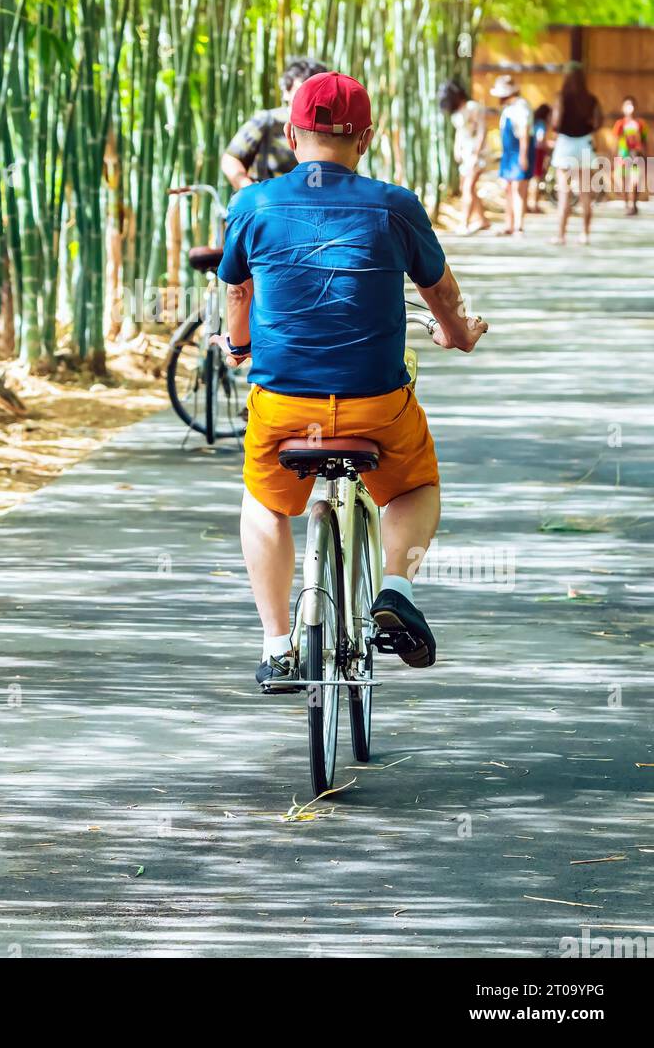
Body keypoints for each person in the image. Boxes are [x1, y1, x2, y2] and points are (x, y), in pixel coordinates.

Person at [213, 72, 487, 690]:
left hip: (283, 407)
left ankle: (277, 643)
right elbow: (439, 291)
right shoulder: (394, 205)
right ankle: (395, 588)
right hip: (376, 407)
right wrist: (459, 332)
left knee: (262, 504)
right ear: (365, 138)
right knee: (415, 484)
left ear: (290, 132)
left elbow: (236, 289)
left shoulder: (252, 204)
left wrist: (238, 345)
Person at [221, 56, 329, 192]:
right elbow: (231, 159)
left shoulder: (330, 127)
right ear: (286, 92)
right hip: (268, 206)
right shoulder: (268, 120)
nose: (308, 97)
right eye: (302, 90)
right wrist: (252, 193)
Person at [551, 65, 601, 245]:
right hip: (584, 144)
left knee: (564, 193)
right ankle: (585, 234)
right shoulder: (591, 99)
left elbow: (556, 121)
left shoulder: (561, 97)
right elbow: (598, 122)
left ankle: (561, 235)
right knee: (585, 192)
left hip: (565, 144)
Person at [439, 79, 489, 233]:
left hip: (476, 153)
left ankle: (464, 223)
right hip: (466, 154)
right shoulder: (458, 112)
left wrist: (476, 154)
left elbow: (482, 131)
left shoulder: (473, 107)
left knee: (468, 187)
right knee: (466, 187)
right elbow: (460, 132)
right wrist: (457, 148)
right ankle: (482, 220)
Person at [490, 74, 535, 237]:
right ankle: (508, 224)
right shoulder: (508, 108)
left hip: (519, 151)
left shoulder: (521, 106)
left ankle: (519, 226)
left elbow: (524, 133)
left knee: (518, 189)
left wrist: (523, 156)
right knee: (508, 188)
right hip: (509, 153)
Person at [612, 95, 648, 217]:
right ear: (622, 108)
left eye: (631, 104)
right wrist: (613, 158)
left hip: (636, 156)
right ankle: (627, 203)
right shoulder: (620, 124)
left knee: (635, 181)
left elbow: (644, 141)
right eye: (627, 105)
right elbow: (615, 142)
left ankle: (633, 203)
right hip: (623, 155)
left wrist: (646, 155)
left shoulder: (641, 124)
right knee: (623, 182)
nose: (630, 107)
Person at [528, 103, 553, 213]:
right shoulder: (541, 124)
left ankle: (530, 203)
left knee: (532, 178)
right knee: (536, 178)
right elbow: (540, 140)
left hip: (531, 151)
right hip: (538, 152)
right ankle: (533, 203)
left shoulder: (534, 123)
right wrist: (549, 145)